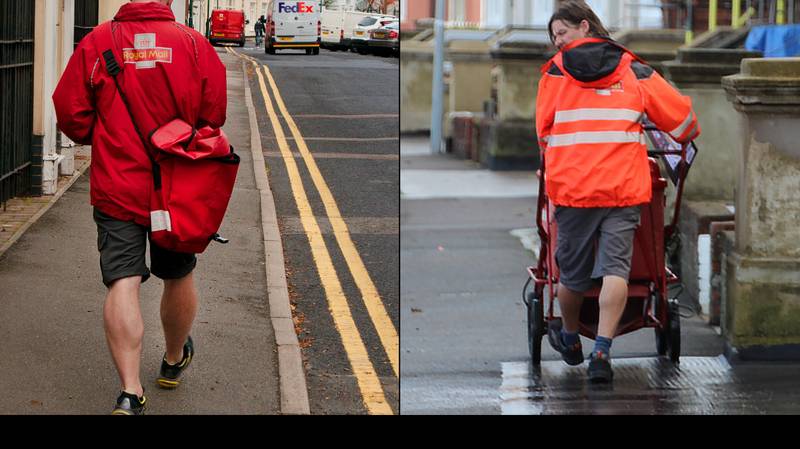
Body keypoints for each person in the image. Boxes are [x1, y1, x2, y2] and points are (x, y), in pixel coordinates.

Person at [52, 0, 227, 414]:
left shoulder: (97, 42)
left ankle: (130, 392)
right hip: (178, 186)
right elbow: (213, 115)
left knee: (122, 280)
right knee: (178, 273)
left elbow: (70, 112)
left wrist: (107, 136)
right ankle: (171, 360)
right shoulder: (195, 44)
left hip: (118, 185)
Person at [535, 1, 699, 383]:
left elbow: (543, 131)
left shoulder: (555, 75)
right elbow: (684, 122)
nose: (558, 42)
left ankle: (572, 338)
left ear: (585, 25)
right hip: (624, 185)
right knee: (616, 269)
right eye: (554, 36)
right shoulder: (634, 68)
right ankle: (602, 352)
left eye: (562, 32)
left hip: (574, 188)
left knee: (571, 275)